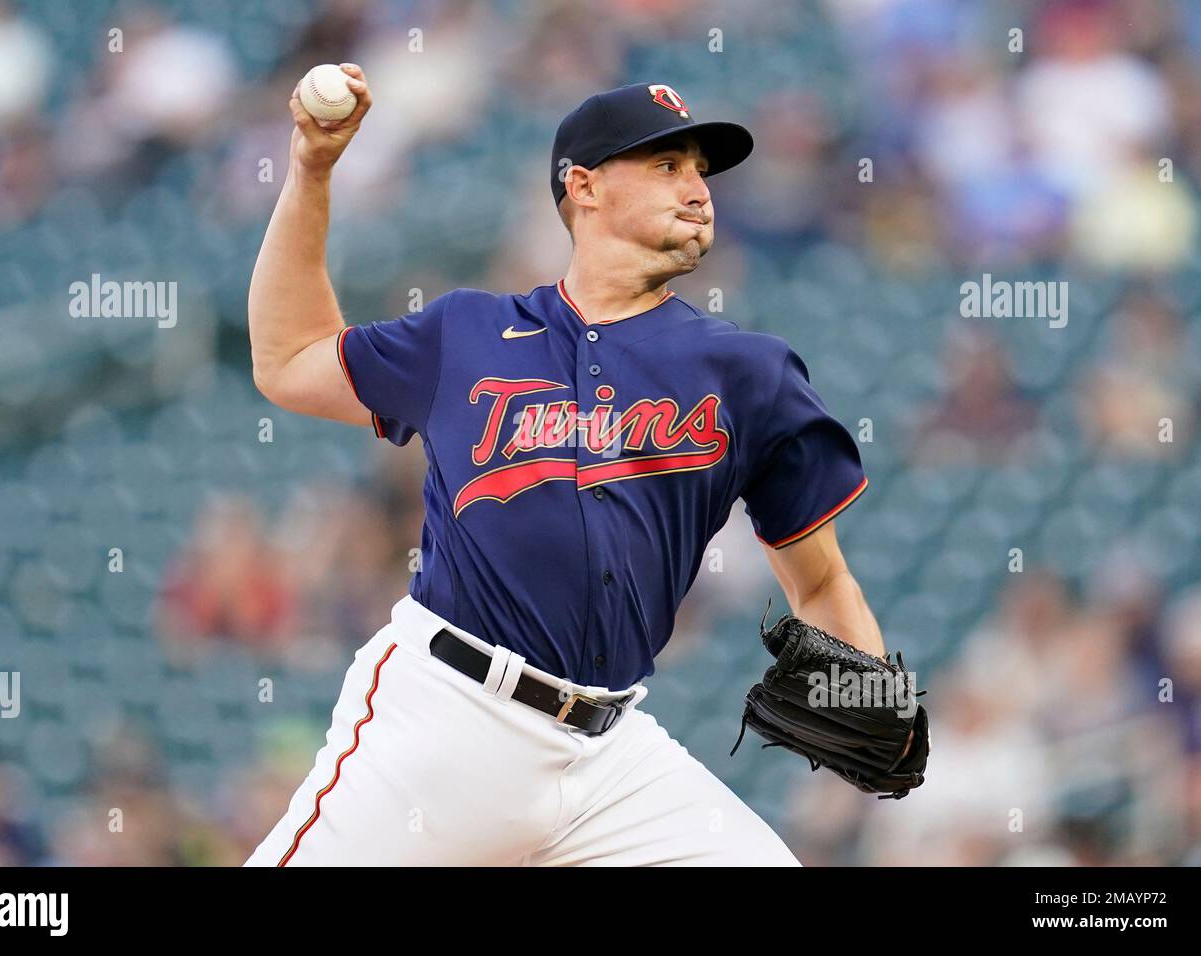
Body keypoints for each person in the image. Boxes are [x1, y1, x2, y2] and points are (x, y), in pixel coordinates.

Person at [244, 68, 879, 866]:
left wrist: (868, 693)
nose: (698, 189)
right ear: (583, 186)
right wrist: (310, 169)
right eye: (666, 165)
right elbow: (289, 359)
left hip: (611, 756)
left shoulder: (747, 373)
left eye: (701, 171)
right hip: (449, 717)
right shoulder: (466, 335)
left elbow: (818, 581)